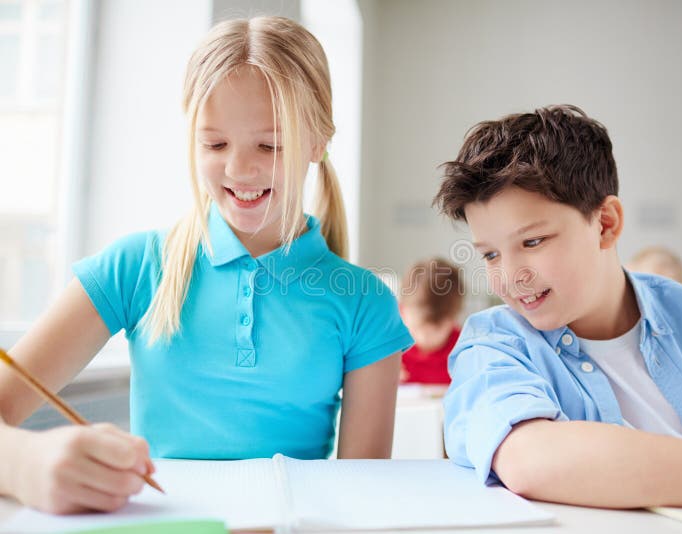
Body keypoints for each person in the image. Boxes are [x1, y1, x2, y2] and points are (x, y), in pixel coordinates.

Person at [0, 16, 412, 514]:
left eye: (270, 145)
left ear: (319, 139)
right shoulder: (133, 268)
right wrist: (24, 462)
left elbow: (361, 499)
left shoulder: (364, 302)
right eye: (214, 144)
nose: (239, 169)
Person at [433, 105, 682, 514]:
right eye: (490, 254)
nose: (511, 276)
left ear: (606, 223)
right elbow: (531, 459)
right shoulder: (495, 346)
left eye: (532, 242)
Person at [398, 258, 463, 385]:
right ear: (402, 311)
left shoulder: (462, 351)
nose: (424, 338)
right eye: (416, 328)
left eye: (436, 330)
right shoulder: (389, 346)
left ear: (453, 319)